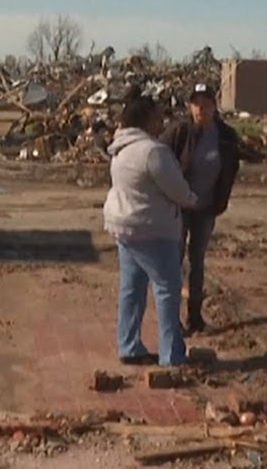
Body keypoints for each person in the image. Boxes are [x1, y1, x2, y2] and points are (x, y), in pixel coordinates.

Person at [103, 87, 199, 367]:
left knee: (131, 288)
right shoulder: (153, 152)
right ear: (146, 120)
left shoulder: (121, 148)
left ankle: (128, 345)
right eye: (158, 117)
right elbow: (177, 190)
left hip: (123, 226)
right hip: (151, 228)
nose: (162, 122)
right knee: (167, 288)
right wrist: (193, 199)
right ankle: (172, 355)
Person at [159, 84, 241, 336]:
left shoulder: (225, 136)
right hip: (180, 208)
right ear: (189, 106)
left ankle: (195, 316)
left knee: (197, 260)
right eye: (195, 104)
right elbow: (160, 158)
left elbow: (231, 167)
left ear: (214, 106)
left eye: (205, 103)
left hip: (206, 208)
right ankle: (172, 319)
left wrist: (221, 199)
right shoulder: (180, 131)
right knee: (174, 259)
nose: (200, 109)